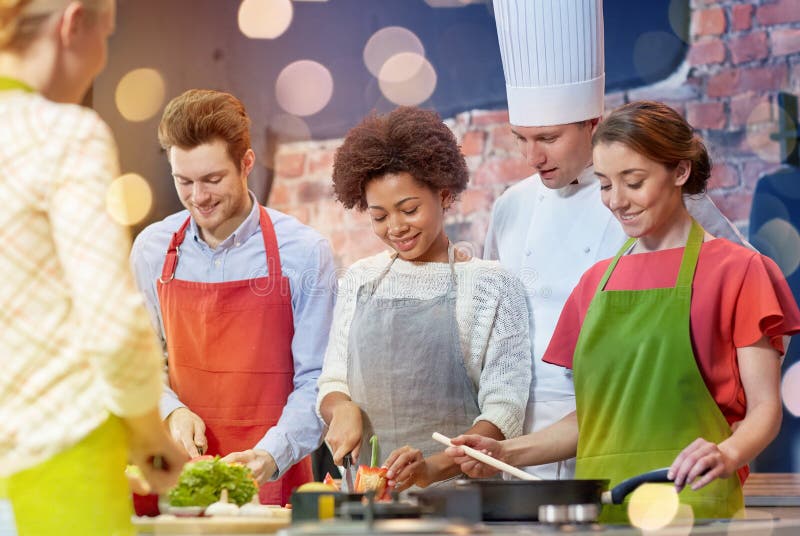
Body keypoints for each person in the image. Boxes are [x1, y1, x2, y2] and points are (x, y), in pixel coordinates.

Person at [447, 101, 800, 521]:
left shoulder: (739, 271)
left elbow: (764, 409)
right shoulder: (595, 282)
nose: (617, 202)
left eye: (633, 182)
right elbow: (594, 421)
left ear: (680, 172)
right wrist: (505, 451)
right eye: (604, 184)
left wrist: (727, 454)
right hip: (607, 511)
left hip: (696, 508)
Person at [484, 0, 751, 479]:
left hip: (640, 429)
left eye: (547, 137)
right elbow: (497, 330)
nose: (531, 156)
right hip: (527, 437)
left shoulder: (657, 198)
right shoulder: (510, 207)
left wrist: (707, 413)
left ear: (591, 123)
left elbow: (741, 312)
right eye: (519, 138)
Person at [0, 1, 186, 534]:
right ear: (73, 22)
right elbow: (110, 323)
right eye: (106, 35)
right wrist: (150, 434)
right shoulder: (63, 134)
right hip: (62, 453)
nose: (101, 59)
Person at [130, 89, 336, 505]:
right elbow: (140, 363)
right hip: (181, 482)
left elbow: (317, 380)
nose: (198, 197)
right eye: (183, 181)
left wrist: (270, 453)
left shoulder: (305, 252)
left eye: (212, 179)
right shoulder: (152, 250)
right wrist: (171, 410)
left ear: (246, 163)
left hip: (274, 475)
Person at [317, 106, 531, 491]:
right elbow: (333, 381)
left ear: (444, 195)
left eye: (409, 209)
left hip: (463, 500)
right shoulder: (361, 280)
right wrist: (340, 408)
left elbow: (505, 410)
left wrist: (433, 468)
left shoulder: (491, 285)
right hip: (372, 501)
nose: (396, 227)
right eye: (379, 216)